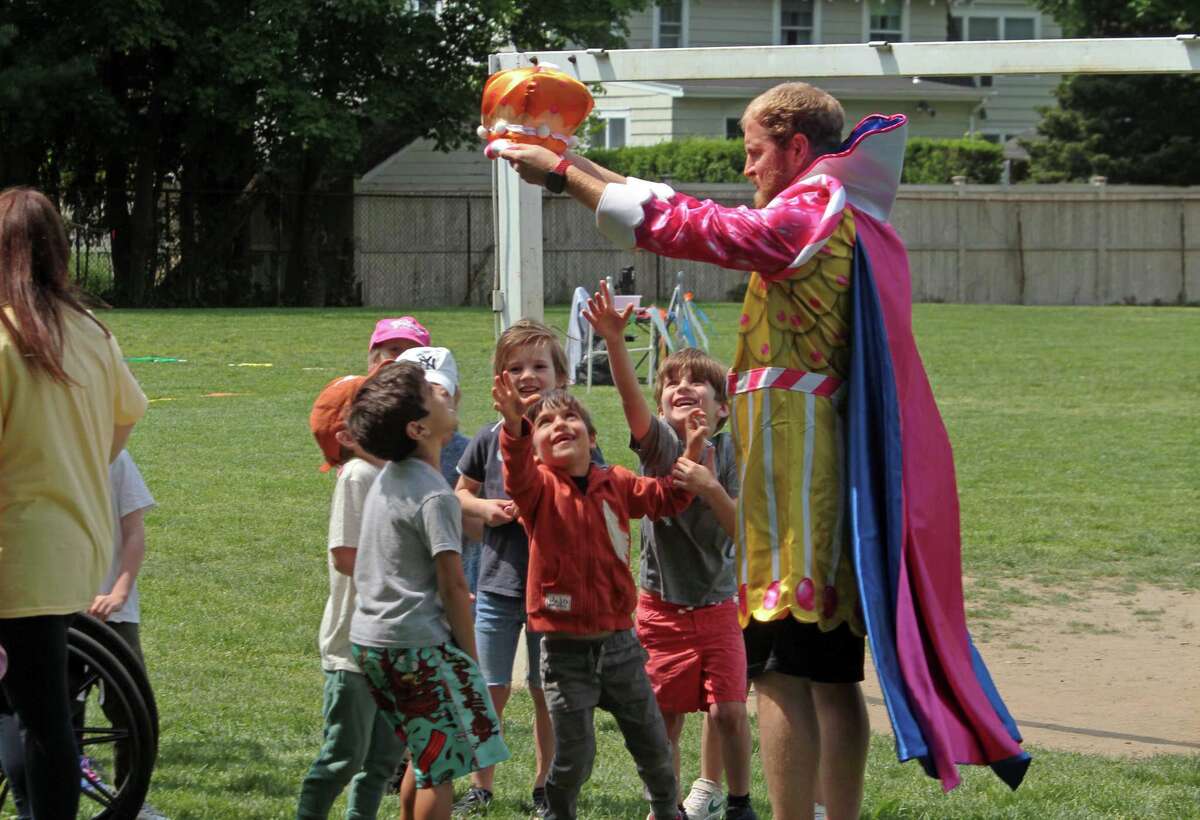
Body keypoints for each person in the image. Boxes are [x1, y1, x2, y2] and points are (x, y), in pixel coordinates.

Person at [498, 81, 1030, 816]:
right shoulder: (842, 209)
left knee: (780, 669)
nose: (747, 168)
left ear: (796, 147)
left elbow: (701, 228)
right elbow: (683, 205)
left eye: (754, 152)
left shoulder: (813, 208)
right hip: (818, 472)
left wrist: (563, 175)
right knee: (831, 673)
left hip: (794, 477)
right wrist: (572, 161)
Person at [492, 378, 706, 820]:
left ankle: (668, 811)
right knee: (575, 757)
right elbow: (516, 474)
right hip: (564, 652)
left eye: (570, 417)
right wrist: (515, 428)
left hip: (620, 645)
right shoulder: (537, 491)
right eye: (545, 423)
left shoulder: (618, 483)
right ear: (536, 451)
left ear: (592, 438)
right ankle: (558, 811)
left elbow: (667, 497)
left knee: (653, 745)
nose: (559, 425)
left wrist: (693, 451)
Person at [582, 281, 756, 820]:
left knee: (728, 712)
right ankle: (666, 806)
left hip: (719, 606)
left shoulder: (734, 453)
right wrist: (614, 340)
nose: (683, 387)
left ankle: (739, 804)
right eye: (672, 383)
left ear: (723, 409)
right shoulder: (660, 446)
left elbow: (742, 533)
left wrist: (709, 485)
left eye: (698, 382)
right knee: (665, 718)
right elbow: (630, 402)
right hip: (661, 608)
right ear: (661, 407)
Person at [0, 187, 147, 819]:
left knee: (35, 717)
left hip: (14, 553)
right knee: (40, 714)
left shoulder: (5, 337)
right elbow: (122, 424)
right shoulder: (92, 333)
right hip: (74, 551)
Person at [347, 362, 509, 820]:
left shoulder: (389, 478)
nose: (442, 392)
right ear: (418, 429)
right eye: (429, 392)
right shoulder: (435, 496)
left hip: (373, 644)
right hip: (415, 647)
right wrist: (471, 658)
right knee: (442, 767)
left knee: (425, 752)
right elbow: (454, 584)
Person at [452, 320, 578, 817]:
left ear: (561, 377)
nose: (528, 376)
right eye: (515, 368)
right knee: (491, 688)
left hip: (553, 589)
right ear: (499, 381)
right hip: (498, 584)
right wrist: (485, 509)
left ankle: (545, 785)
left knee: (547, 691)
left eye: (539, 366)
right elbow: (460, 494)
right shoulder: (488, 439)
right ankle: (481, 785)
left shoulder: (570, 437)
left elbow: (593, 493)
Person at [297, 374, 405, 820]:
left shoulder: (400, 472)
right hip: (355, 650)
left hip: (397, 643)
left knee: (382, 761)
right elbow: (346, 557)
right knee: (343, 757)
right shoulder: (359, 475)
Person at [395, 347, 484, 595]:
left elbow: (479, 530)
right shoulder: (388, 456)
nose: (428, 404)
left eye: (439, 392)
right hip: (408, 590)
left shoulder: (471, 452)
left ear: (456, 398)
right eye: (419, 395)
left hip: (461, 584)